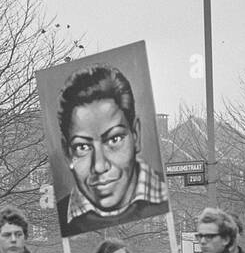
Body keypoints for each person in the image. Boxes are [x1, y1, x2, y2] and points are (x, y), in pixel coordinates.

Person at [55, 65, 169, 235]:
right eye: (83, 147)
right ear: (67, 153)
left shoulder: (166, 199)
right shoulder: (59, 219)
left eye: (114, 139)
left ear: (136, 135)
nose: (100, 166)